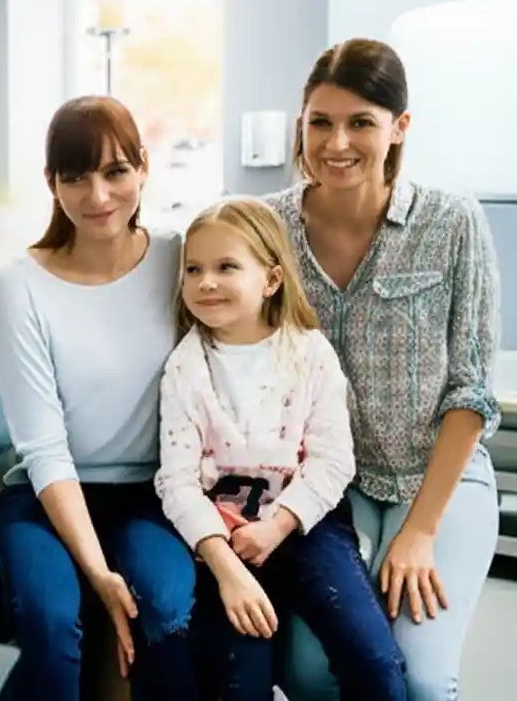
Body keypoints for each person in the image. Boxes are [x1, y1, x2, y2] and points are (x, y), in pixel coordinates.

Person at [264, 38, 502, 701]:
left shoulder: (451, 223)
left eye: (361, 122)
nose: (336, 142)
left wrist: (421, 531)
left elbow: (473, 388)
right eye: (320, 122)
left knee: (422, 677)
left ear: (398, 128)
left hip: (437, 477)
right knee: (310, 674)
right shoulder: (267, 227)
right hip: (325, 487)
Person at [0, 96, 197, 701]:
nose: (98, 195)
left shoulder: (179, 259)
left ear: (143, 168)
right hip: (44, 495)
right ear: (51, 183)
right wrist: (98, 572)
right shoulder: (18, 286)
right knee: (49, 616)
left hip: (150, 495)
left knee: (165, 601)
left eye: (115, 172)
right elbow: (43, 447)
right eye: (75, 177)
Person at [155, 198, 407, 700]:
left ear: (270, 280)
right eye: (193, 269)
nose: (205, 282)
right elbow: (177, 482)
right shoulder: (184, 367)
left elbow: (334, 461)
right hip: (224, 543)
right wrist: (227, 568)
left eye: (226, 267)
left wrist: (277, 527)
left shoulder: (309, 353)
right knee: (238, 682)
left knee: (374, 660)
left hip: (305, 527)